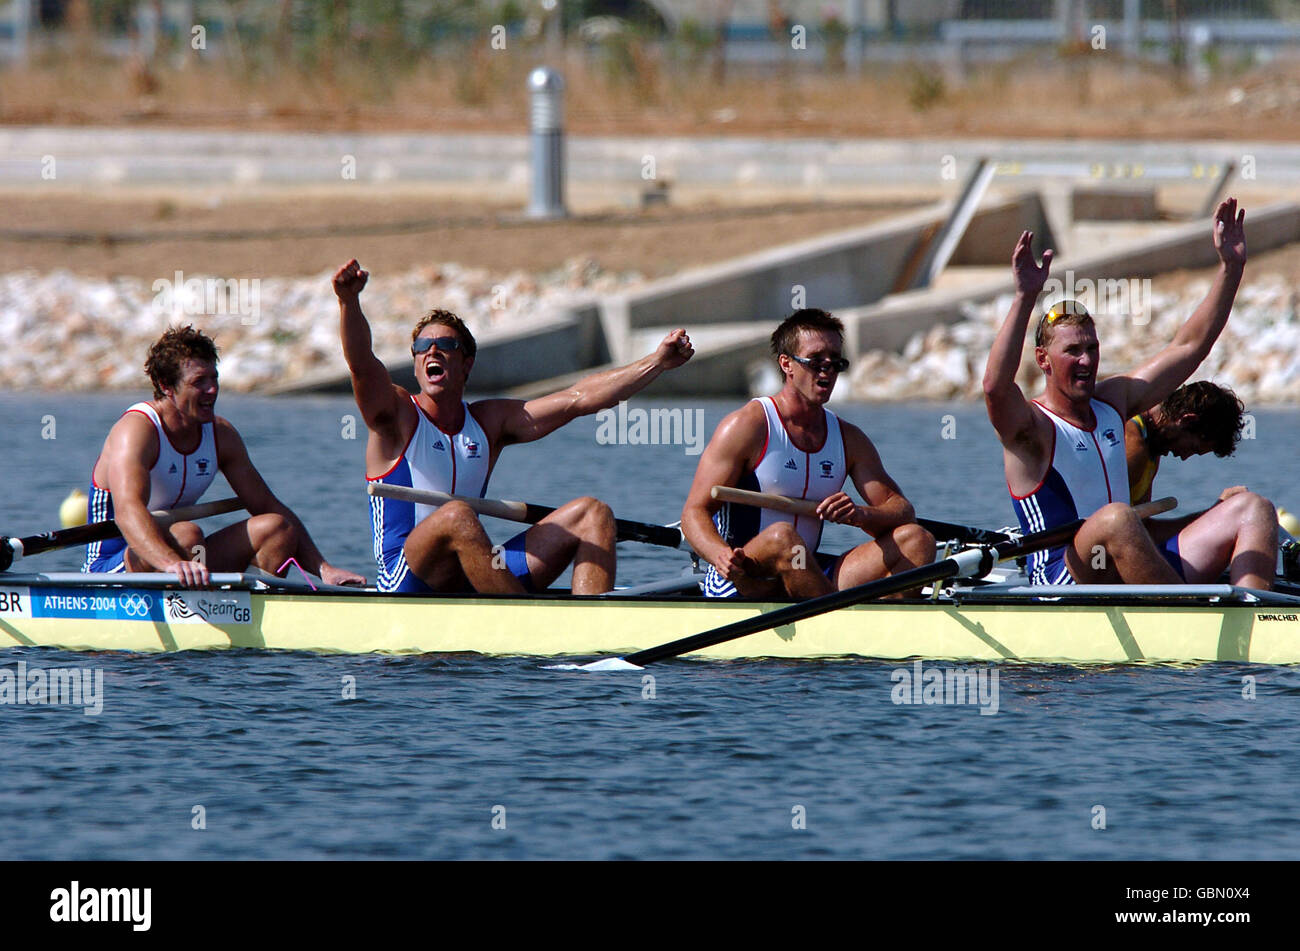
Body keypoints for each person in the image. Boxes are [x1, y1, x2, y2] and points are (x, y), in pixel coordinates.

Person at [332, 258, 693, 595]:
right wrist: (349, 303)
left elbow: (580, 398)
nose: (433, 352)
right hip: (406, 576)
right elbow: (363, 366)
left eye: (446, 345)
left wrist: (657, 363)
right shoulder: (396, 416)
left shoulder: (489, 423)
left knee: (592, 513)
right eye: (423, 346)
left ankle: (595, 632)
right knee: (456, 515)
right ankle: (524, 618)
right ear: (415, 364)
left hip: (473, 569)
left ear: (467, 364)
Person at [983, 197, 1277, 590]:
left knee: (1253, 509)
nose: (1086, 360)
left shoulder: (1113, 402)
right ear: (1043, 359)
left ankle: (1257, 617)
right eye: (1073, 350)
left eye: (1092, 348)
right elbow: (995, 388)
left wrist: (1231, 268)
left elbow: (1189, 347)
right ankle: (1183, 621)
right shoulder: (1030, 428)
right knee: (1118, 518)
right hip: (1063, 578)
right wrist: (1024, 298)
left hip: (1130, 563)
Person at [83, 325, 364, 588]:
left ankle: (245, 613)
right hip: (113, 564)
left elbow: (266, 504)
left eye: (214, 378)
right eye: (199, 382)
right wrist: (171, 563)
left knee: (277, 528)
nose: (213, 389)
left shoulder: (220, 435)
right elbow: (127, 511)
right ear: (167, 386)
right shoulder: (137, 430)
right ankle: (193, 604)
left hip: (182, 561)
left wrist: (323, 569)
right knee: (188, 535)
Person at [681, 308, 935, 599]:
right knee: (783, 538)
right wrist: (720, 555)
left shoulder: (849, 438)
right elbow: (693, 512)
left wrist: (859, 514)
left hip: (805, 569)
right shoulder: (748, 425)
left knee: (917, 540)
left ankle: (879, 623)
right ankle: (839, 617)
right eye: (815, 360)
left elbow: (901, 510)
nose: (827, 369)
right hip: (744, 577)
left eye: (835, 361)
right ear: (787, 364)